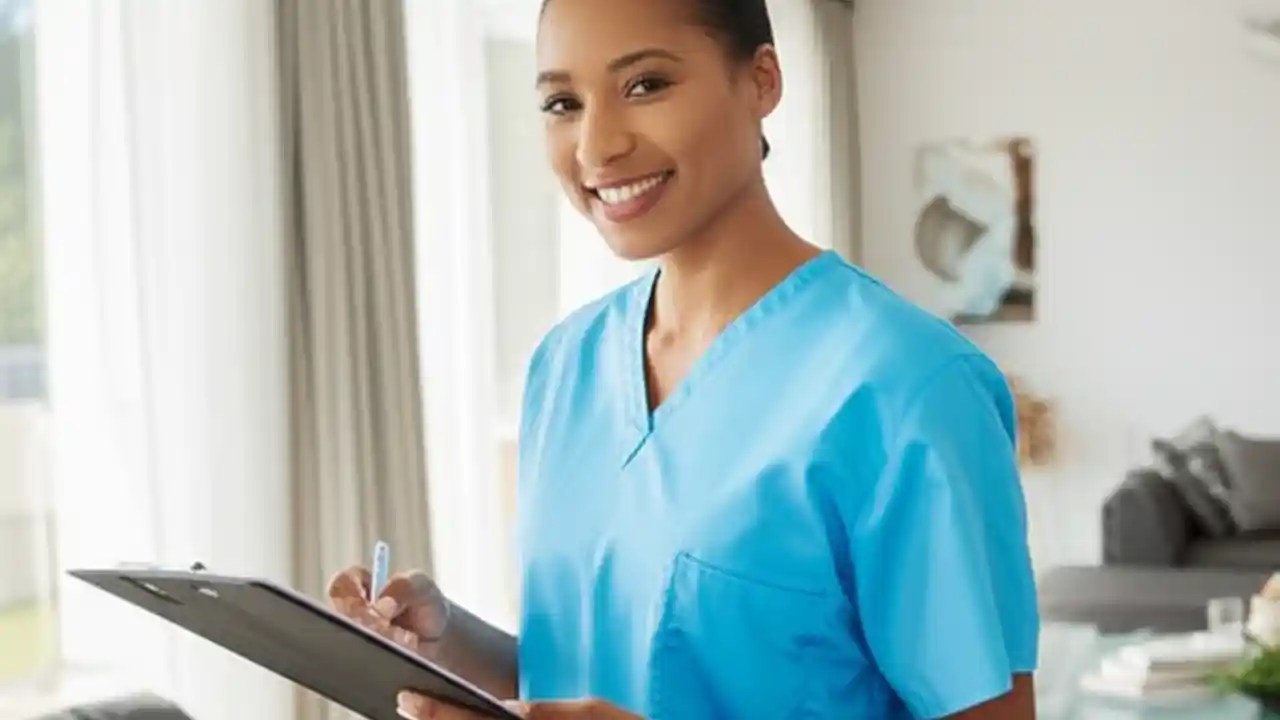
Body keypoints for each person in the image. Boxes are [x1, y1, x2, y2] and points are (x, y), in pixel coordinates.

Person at [329, 0, 1040, 717]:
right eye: (562, 102)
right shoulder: (564, 367)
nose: (596, 145)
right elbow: (592, 670)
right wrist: (444, 641)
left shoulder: (907, 385)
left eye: (645, 86)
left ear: (762, 81)